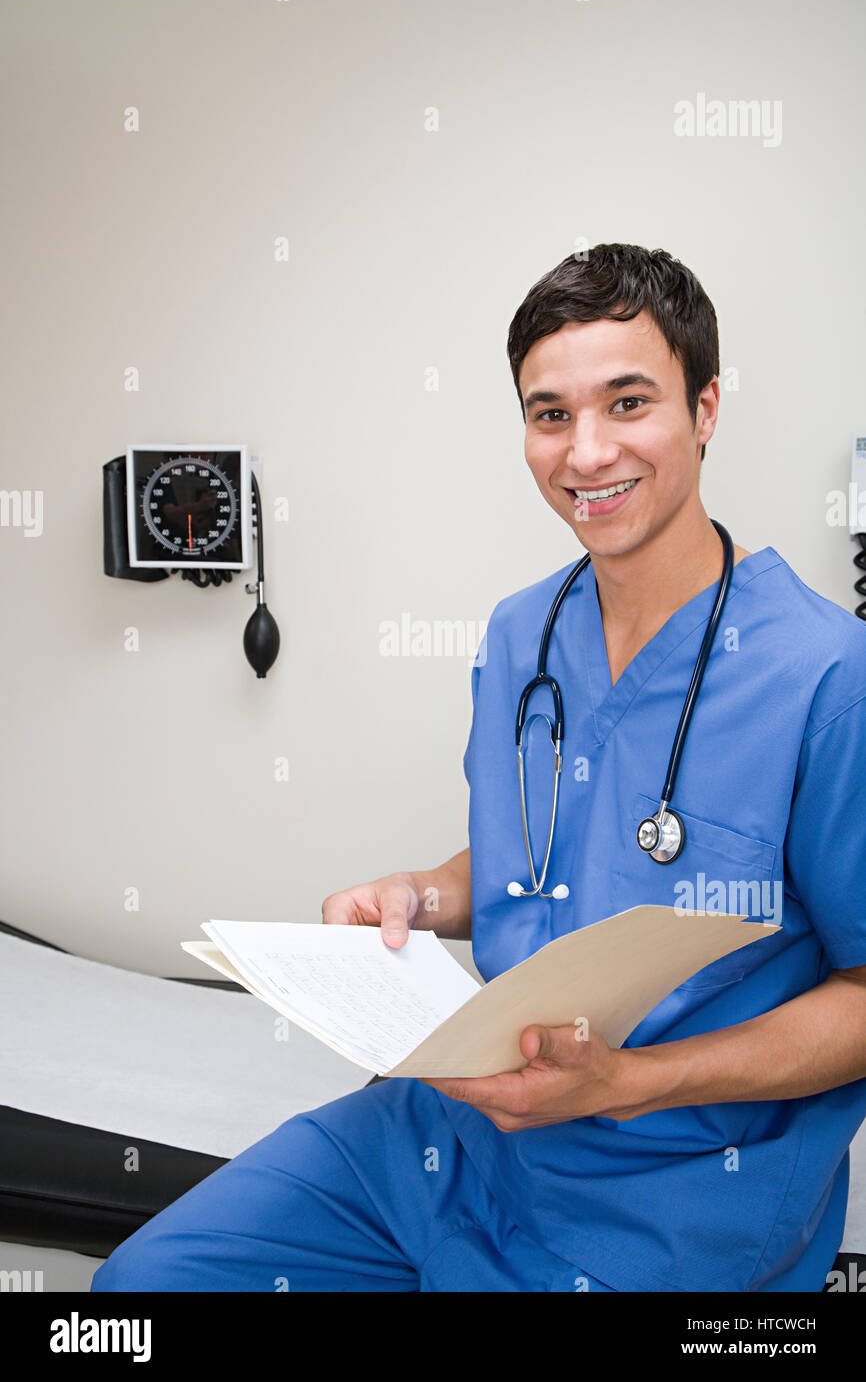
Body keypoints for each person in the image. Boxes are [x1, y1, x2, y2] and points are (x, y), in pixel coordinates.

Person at [91, 243, 866, 1293]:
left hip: (672, 1183)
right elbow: (553, 848)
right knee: (143, 1293)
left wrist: (626, 1081)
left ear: (705, 408)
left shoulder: (822, 672)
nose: (585, 453)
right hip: (459, 1124)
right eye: (549, 415)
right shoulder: (521, 635)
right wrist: (425, 891)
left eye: (626, 401)